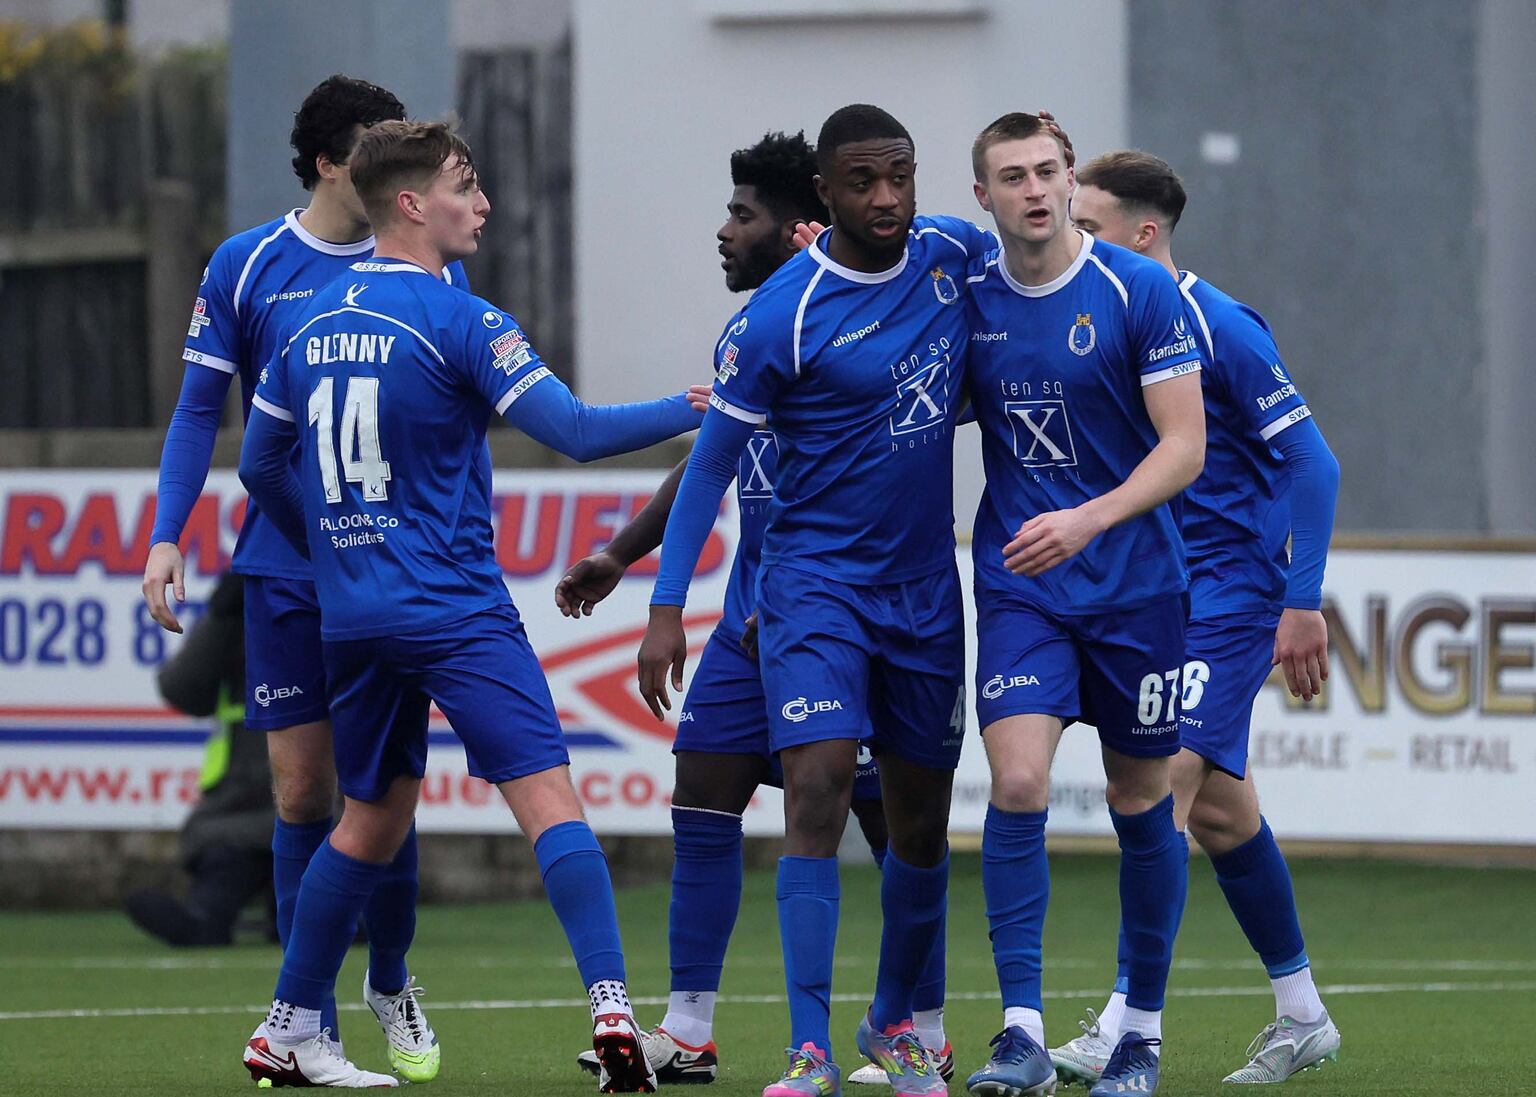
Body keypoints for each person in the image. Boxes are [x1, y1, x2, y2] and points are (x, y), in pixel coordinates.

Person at [237, 119, 706, 1090]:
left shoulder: (307, 317)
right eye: (465, 182)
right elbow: (572, 430)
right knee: (548, 798)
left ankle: (286, 1024)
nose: (482, 201)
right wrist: (699, 405)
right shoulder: (461, 318)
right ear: (412, 203)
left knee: (365, 819)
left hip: (354, 616)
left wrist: (329, 552)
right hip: (453, 606)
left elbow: (256, 462)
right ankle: (613, 1003)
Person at [558, 130, 953, 1086]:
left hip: (859, 612)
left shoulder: (904, 292)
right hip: (761, 614)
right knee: (703, 789)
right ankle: (689, 1025)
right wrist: (625, 556)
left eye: (744, 215)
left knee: (899, 824)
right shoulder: (759, 332)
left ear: (803, 223)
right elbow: (710, 466)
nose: (725, 231)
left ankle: (919, 1022)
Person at [640, 103, 997, 1097]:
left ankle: (898, 1023)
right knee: (818, 791)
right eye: (863, 182)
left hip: (926, 589)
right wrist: (667, 603)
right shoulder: (781, 313)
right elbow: (707, 468)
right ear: (826, 198)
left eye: (901, 177)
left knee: (920, 826)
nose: (886, 198)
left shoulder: (951, 258)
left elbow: (1045, 240)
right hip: (812, 587)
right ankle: (808, 1048)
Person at [140, 74, 462, 1080]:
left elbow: (452, 416)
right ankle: (305, 1021)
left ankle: (393, 979)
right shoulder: (247, 264)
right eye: (379, 149)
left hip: (390, 568)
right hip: (285, 566)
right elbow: (201, 413)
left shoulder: (417, 264)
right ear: (332, 162)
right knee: (299, 792)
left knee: (387, 790)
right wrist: (165, 534)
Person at [1054, 150, 1341, 1086]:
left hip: (1231, 590)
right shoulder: (1108, 315)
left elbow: (1316, 464)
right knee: (1221, 811)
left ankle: (1127, 1024)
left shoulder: (1220, 326)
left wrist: (1300, 603)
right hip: (1162, 589)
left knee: (1165, 782)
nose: (1072, 238)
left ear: (1144, 234)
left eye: (1087, 223)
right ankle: (1302, 1013)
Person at [960, 113, 1206, 1097]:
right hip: (1025, 581)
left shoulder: (1135, 289)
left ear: (1070, 179)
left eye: (1048, 170)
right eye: (1011, 175)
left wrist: (1088, 519)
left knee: (1139, 800)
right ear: (982, 196)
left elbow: (1183, 445)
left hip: (1138, 586)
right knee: (1017, 783)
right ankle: (1020, 1032)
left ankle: (1139, 1034)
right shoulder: (967, 294)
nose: (1033, 188)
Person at [126, 572, 277, 947]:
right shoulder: (241, 616)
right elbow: (183, 689)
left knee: (313, 899)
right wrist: (222, 616)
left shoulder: (342, 601)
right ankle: (204, 920)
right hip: (238, 812)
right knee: (220, 888)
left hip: (325, 812)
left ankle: (330, 922)